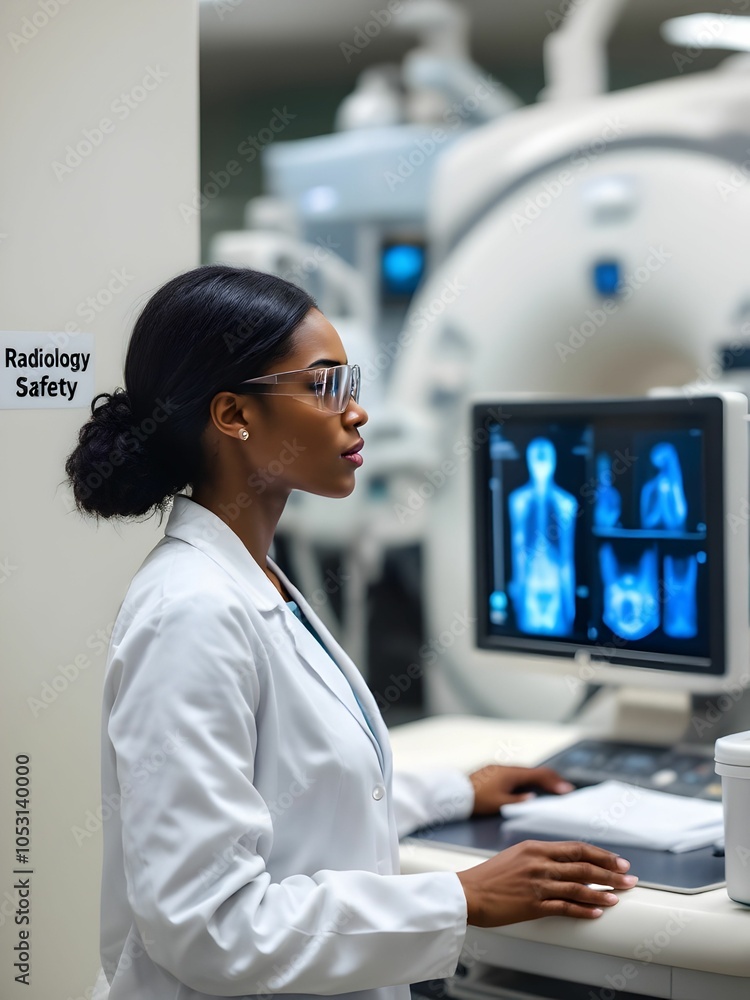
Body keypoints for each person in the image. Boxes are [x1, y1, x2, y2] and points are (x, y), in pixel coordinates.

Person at [65, 265, 637, 1000]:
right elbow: (208, 928)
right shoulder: (192, 613)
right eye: (325, 385)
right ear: (235, 415)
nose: (356, 411)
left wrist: (454, 793)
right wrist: (463, 897)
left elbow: (298, 801)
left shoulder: (255, 580)